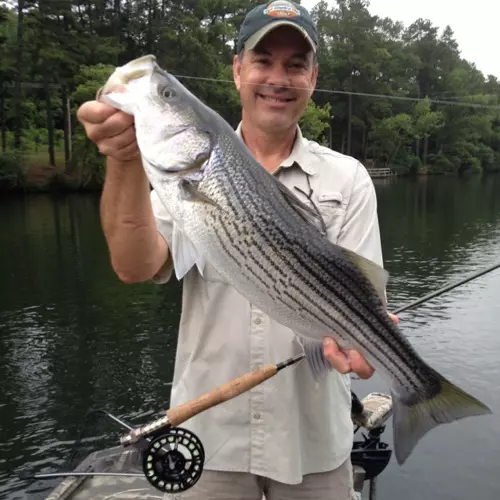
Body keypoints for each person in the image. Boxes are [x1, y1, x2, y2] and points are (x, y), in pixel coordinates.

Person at [77, 1, 397, 498]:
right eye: (263, 60)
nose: (278, 77)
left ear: (313, 77)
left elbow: (361, 292)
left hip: (313, 440)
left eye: (295, 64)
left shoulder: (348, 178)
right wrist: (123, 161)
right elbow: (135, 265)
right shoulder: (189, 171)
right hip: (211, 439)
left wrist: (368, 340)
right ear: (237, 70)